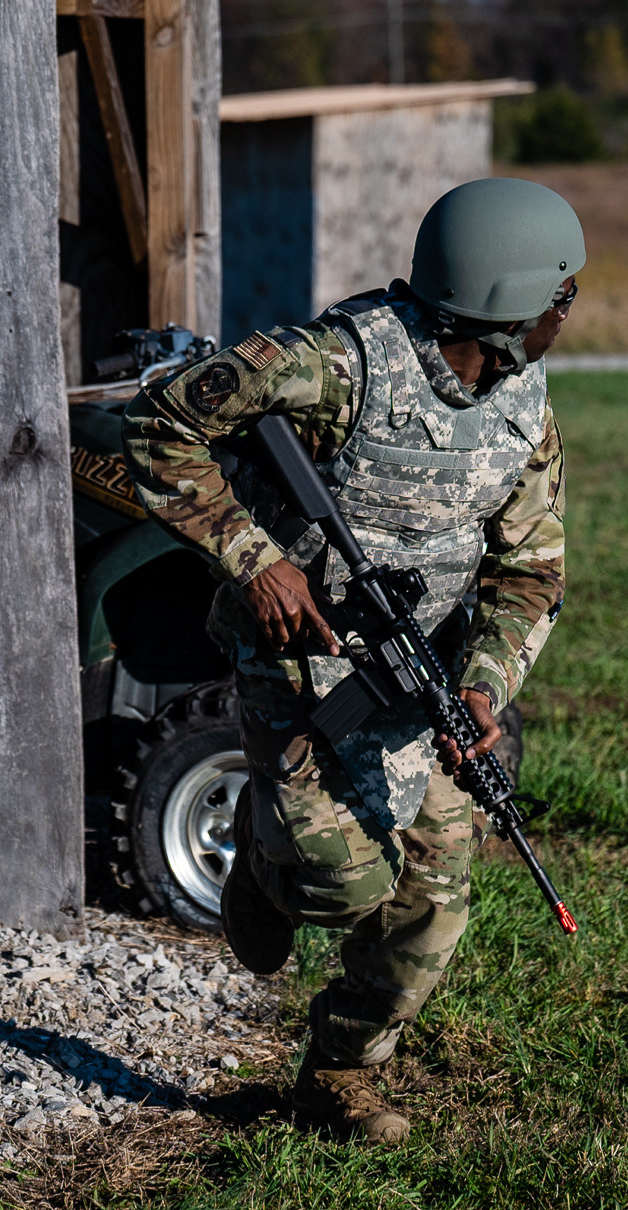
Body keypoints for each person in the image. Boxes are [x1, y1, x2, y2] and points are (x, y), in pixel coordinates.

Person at [119, 176, 584, 1144]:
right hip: (299, 666)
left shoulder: (523, 404)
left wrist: (484, 685)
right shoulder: (338, 363)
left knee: (431, 907)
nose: (566, 313)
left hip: (422, 673)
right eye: (560, 294)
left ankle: (339, 1073)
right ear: (509, 306)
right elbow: (160, 422)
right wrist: (255, 561)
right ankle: (263, 861)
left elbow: (530, 569)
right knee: (344, 885)